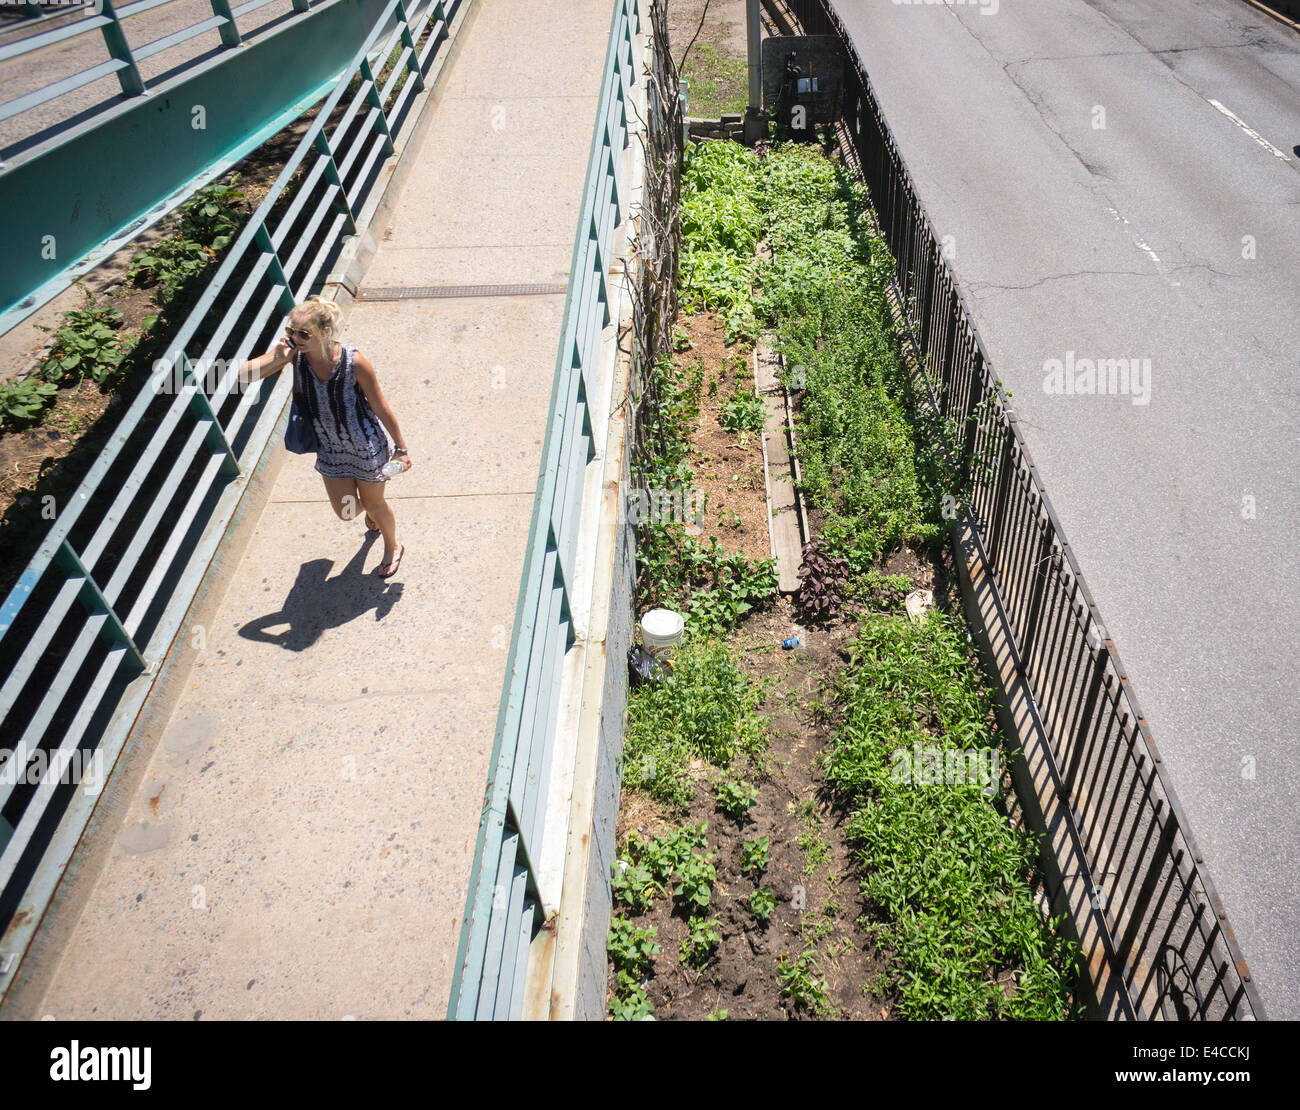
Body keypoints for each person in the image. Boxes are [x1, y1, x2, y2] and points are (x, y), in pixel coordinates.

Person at [244, 296, 409, 577]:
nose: (295, 338)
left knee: (375, 502)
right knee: (345, 512)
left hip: (366, 446)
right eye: (290, 331)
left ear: (325, 332)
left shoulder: (355, 362)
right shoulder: (295, 357)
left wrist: (401, 448)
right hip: (331, 449)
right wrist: (278, 356)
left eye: (303, 333)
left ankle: (393, 546)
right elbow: (244, 377)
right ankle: (371, 512)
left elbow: (380, 405)